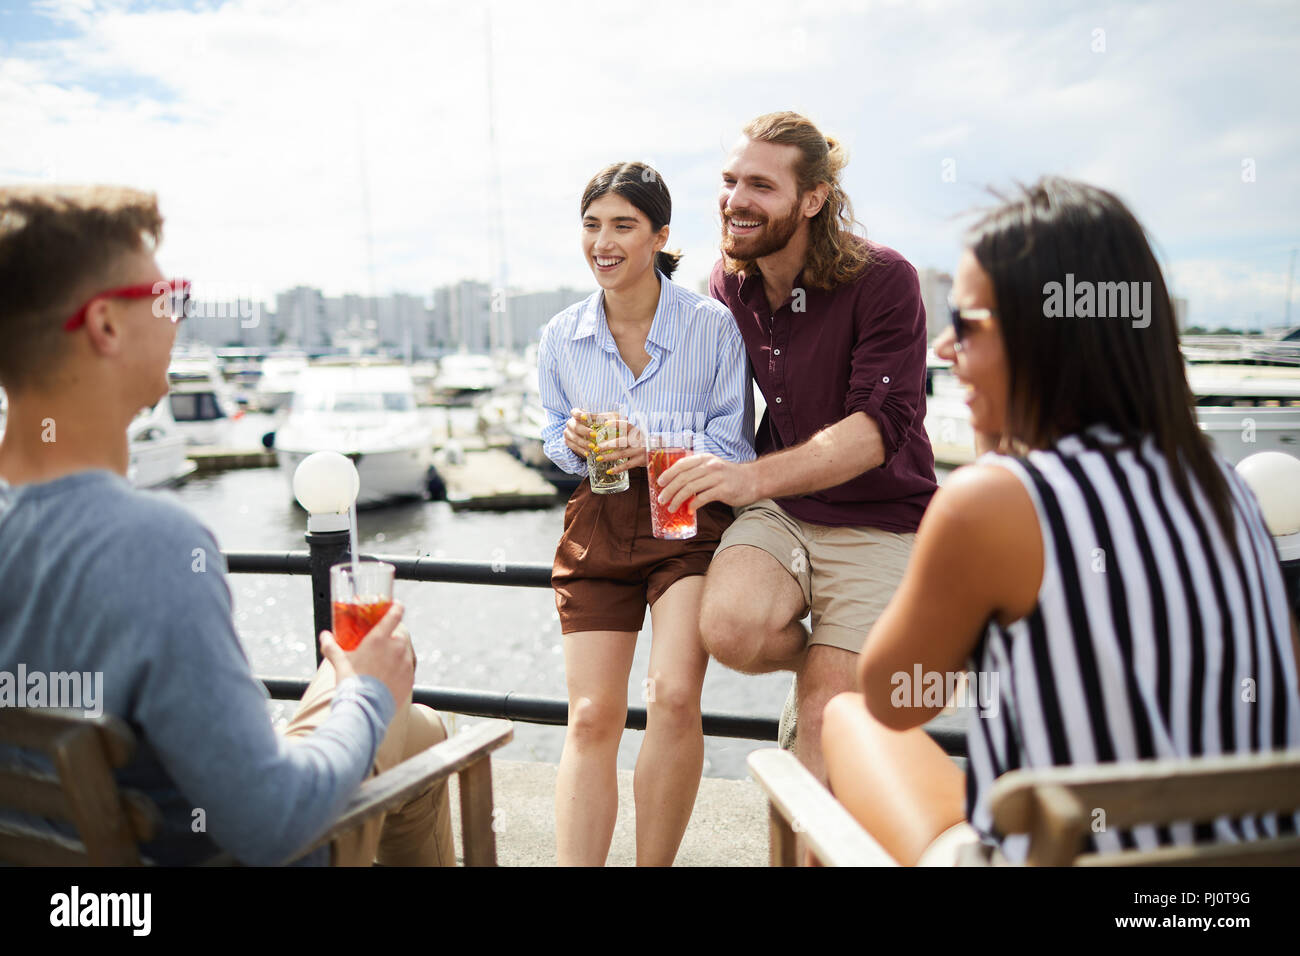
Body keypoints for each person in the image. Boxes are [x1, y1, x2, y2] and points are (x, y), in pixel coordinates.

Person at [821, 177, 1300, 865]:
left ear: (1047, 338)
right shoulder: (1225, 485)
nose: (949, 350)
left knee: (844, 715)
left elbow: (894, 697)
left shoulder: (996, 502)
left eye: (970, 323)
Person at [0, 185, 455, 866]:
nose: (180, 318)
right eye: (169, 297)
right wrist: (368, 693)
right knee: (412, 724)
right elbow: (268, 826)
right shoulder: (150, 545)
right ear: (106, 326)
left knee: (389, 709)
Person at [654, 112, 936, 783]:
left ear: (812, 200)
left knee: (820, 737)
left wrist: (749, 480)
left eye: (760, 185)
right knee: (728, 630)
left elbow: (878, 428)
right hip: (785, 511)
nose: (735, 200)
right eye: (729, 180)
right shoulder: (729, 285)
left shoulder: (886, 279)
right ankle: (833, 658)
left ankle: (842, 672)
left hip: (882, 518)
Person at [539, 162, 755, 865]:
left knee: (670, 696)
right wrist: (570, 444)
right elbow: (548, 433)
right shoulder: (559, 337)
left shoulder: (711, 326)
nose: (604, 242)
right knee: (593, 715)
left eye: (623, 226)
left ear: (660, 236)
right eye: (593, 225)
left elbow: (734, 443)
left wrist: (656, 446)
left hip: (685, 518)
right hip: (596, 520)